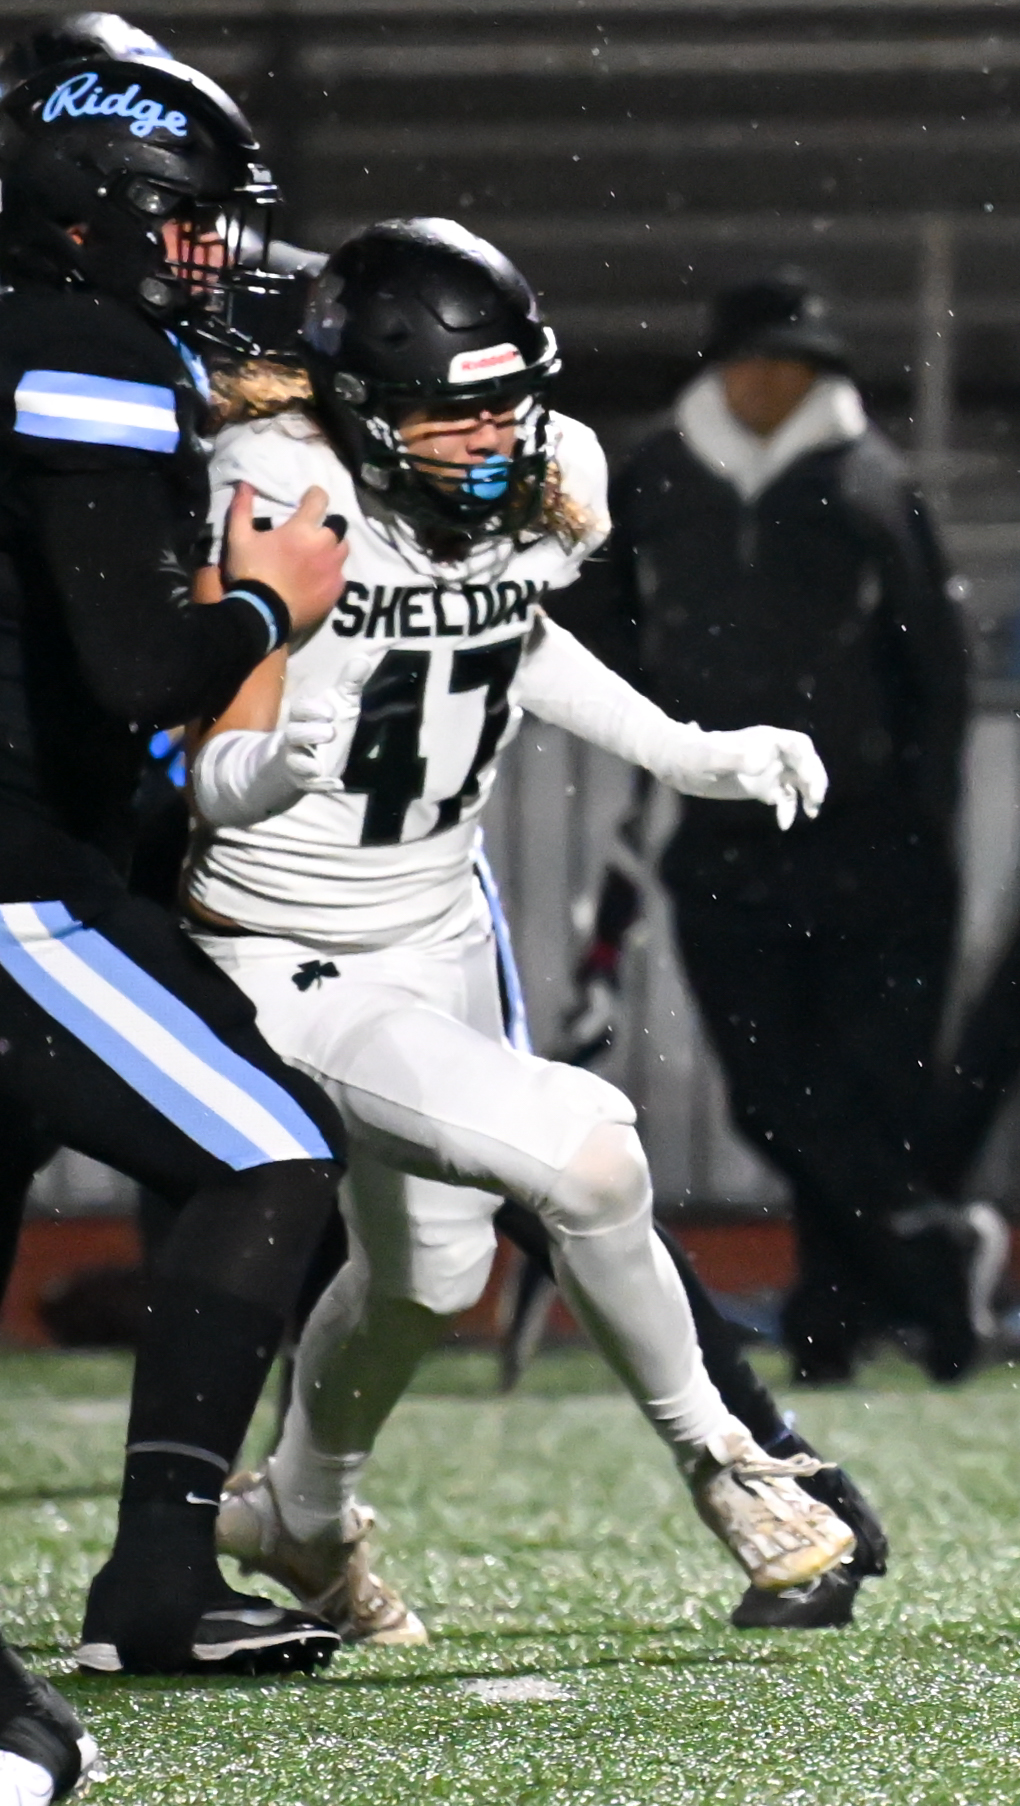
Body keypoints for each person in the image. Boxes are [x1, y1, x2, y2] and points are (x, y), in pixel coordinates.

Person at [176, 219, 866, 1645]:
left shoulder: (545, 479)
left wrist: (683, 750)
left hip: (433, 925)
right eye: (453, 410)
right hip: (285, 945)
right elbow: (213, 761)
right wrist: (284, 758)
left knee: (433, 1272)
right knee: (592, 1150)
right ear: (361, 408)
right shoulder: (280, 488)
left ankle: (300, 1512)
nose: (493, 437)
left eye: (509, 400)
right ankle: (731, 1467)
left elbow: (508, 636)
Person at [0, 52, 356, 1684]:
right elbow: (141, 663)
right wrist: (273, 599)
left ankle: (157, 1579)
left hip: (56, 859)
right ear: (102, 209)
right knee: (274, 1157)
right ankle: (158, 1575)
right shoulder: (75, 344)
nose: (215, 258)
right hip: (16, 882)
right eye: (192, 224)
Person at [550, 270, 998, 1387]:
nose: (775, 383)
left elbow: (935, 671)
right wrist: (660, 732)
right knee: (770, 1087)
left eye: (798, 365)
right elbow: (597, 626)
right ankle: (927, 1249)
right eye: (761, 361)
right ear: (722, 368)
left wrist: (922, 814)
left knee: (869, 1082)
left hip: (872, 833)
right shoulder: (654, 479)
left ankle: (837, 1317)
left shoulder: (871, 483)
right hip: (726, 829)